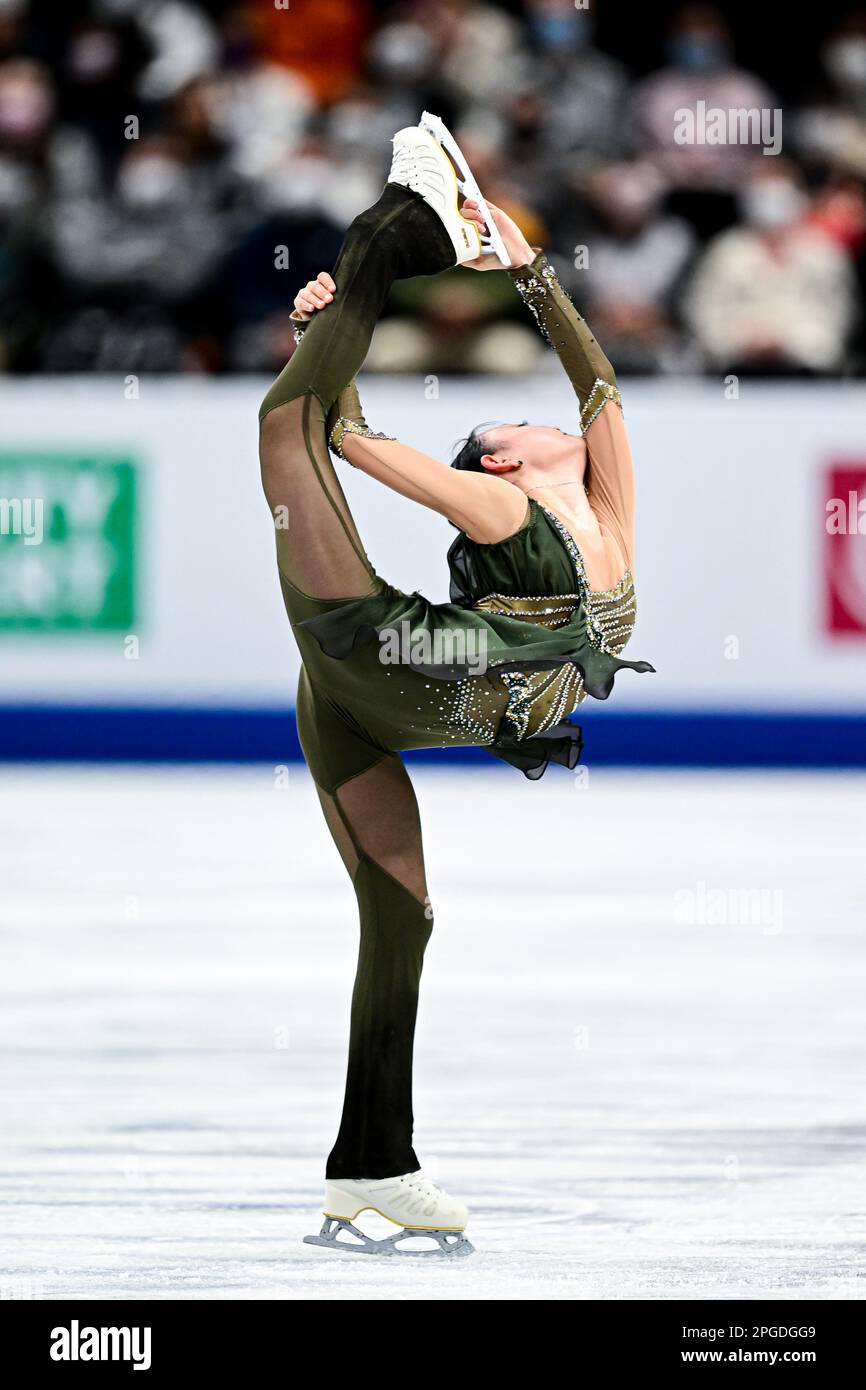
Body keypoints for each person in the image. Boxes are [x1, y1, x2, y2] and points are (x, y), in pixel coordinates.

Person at [257, 114, 652, 1256]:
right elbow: (349, 446)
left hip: (379, 694)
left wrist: (530, 273)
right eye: (514, 423)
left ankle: (370, 1167)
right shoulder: (499, 502)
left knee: (402, 916)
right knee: (284, 428)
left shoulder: (604, 511)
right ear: (504, 458)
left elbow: (596, 381)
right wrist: (318, 343)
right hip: (380, 655)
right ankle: (399, 213)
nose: (545, 417)